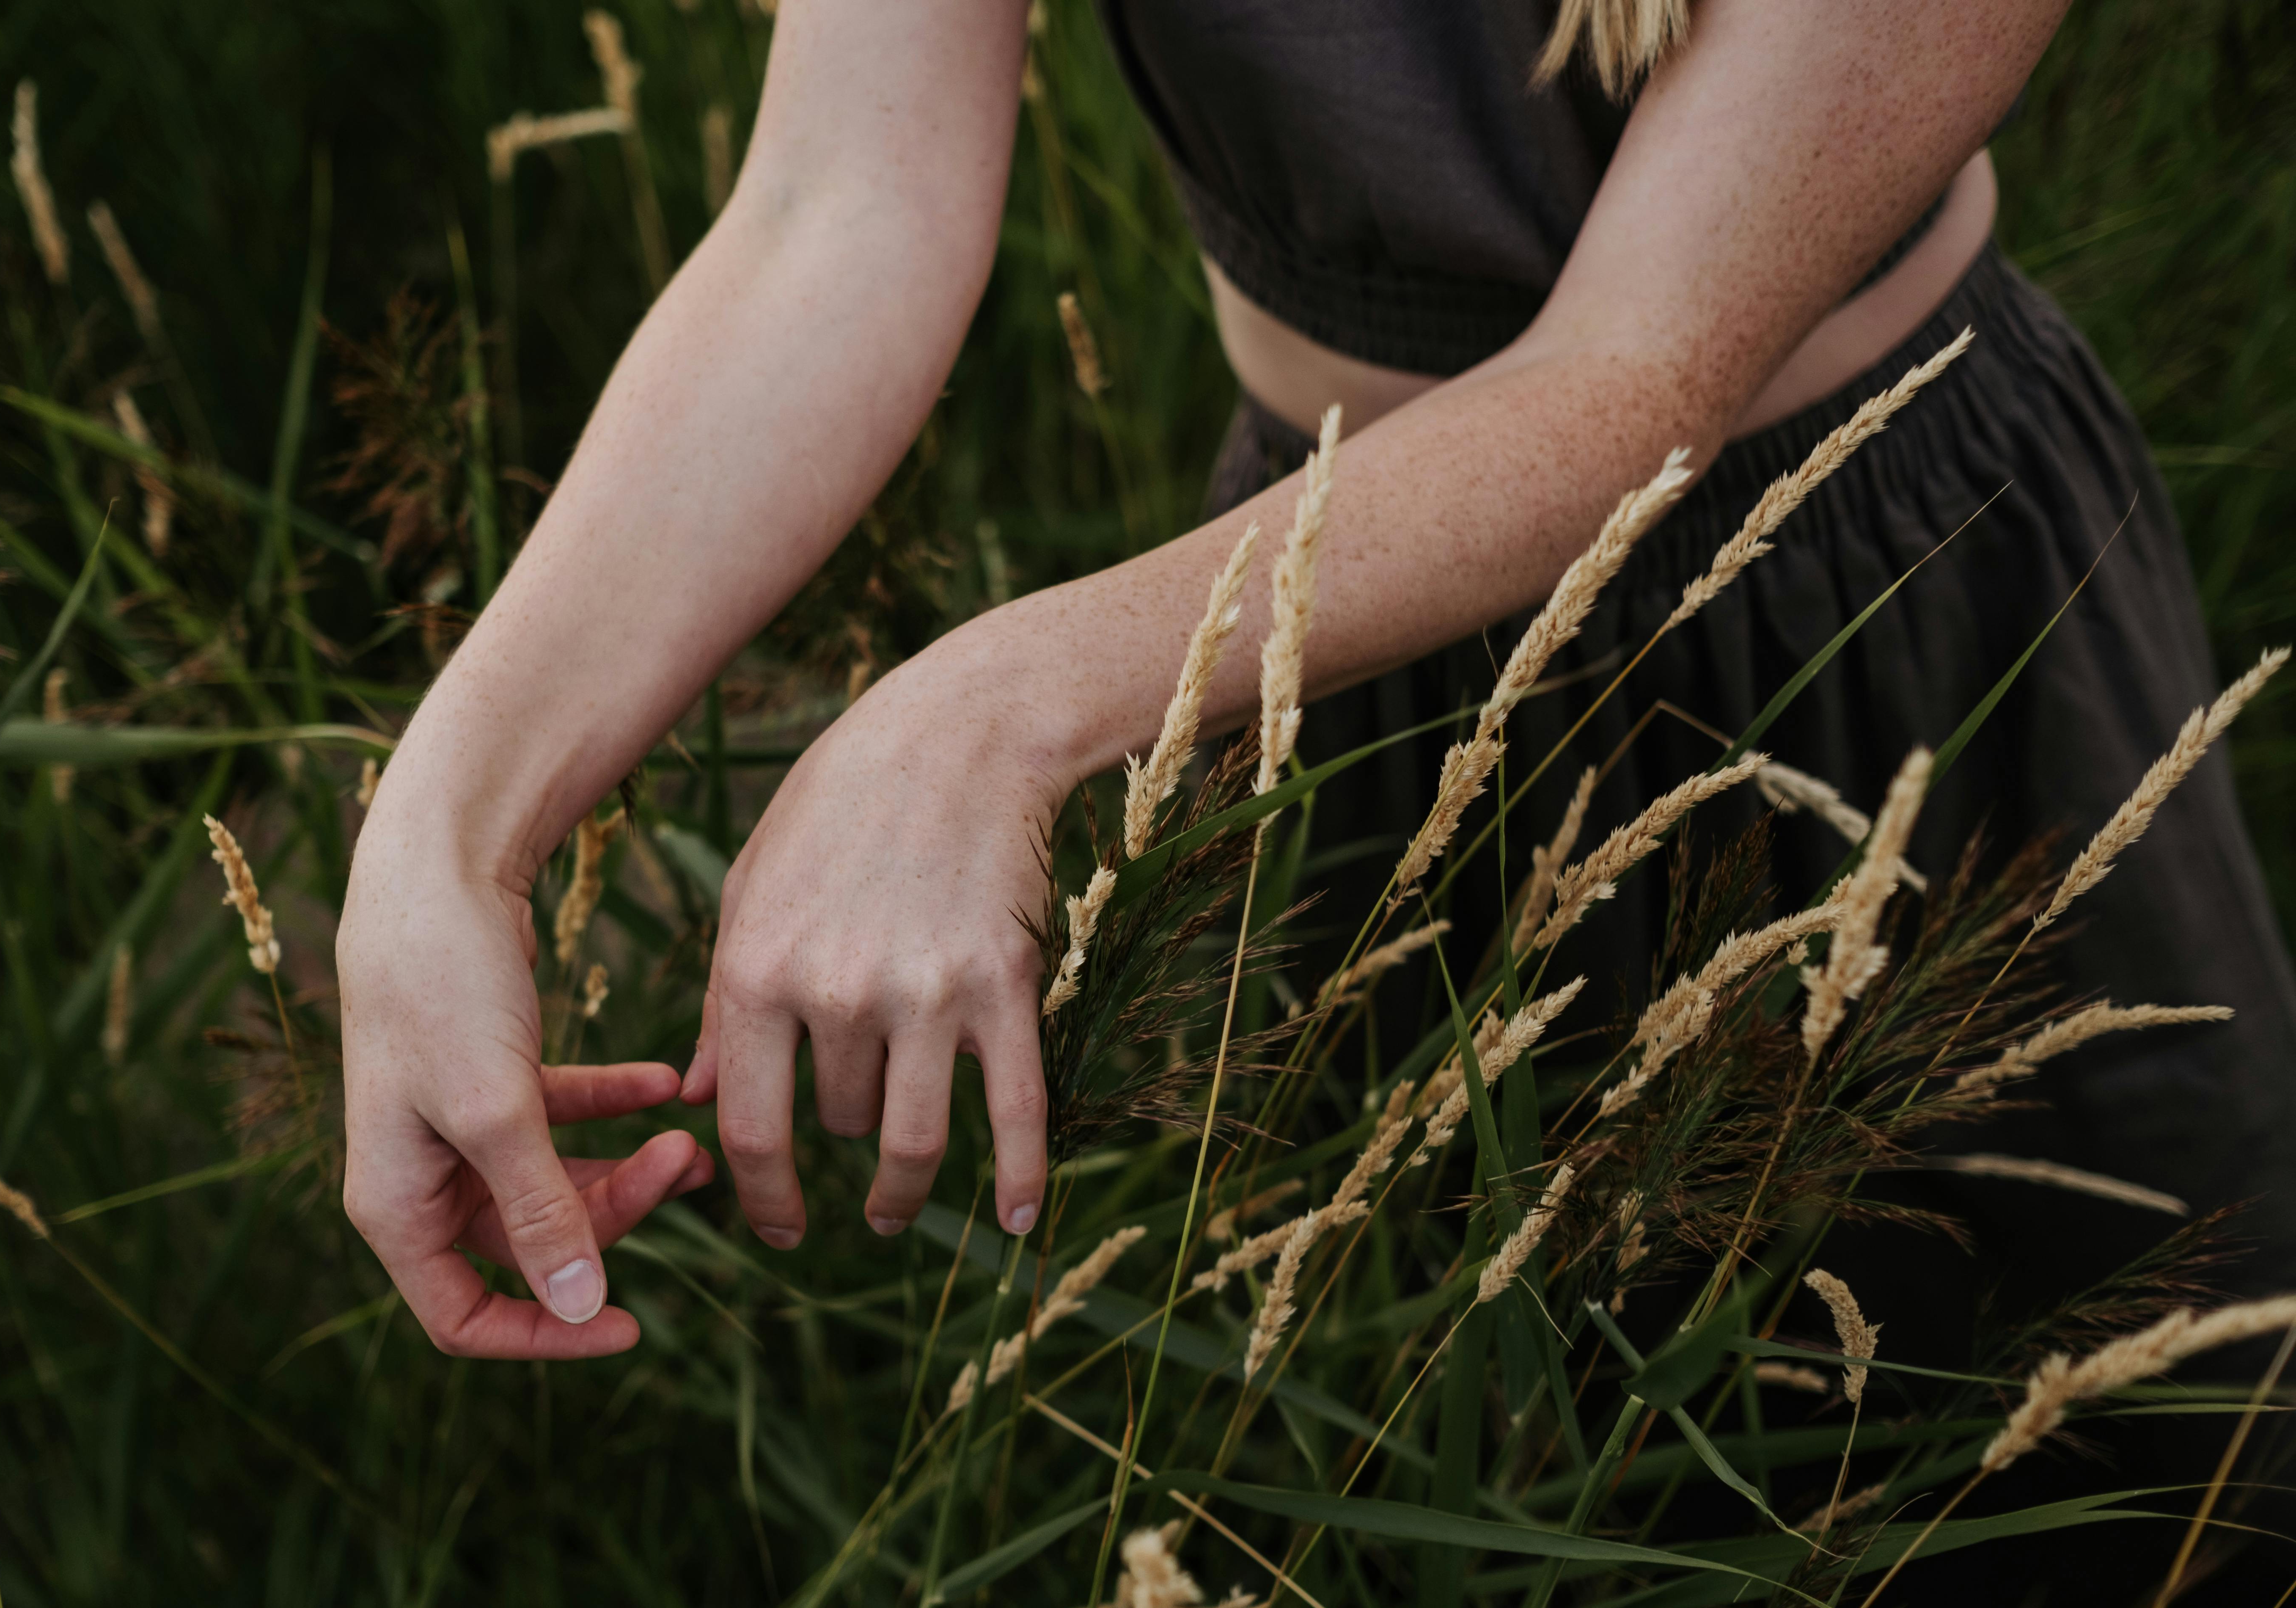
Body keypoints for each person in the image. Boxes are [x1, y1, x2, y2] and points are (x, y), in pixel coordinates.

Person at [335, 0, 2296, 1375]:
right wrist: (447, 825)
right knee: (1540, 1503)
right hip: (1322, 642)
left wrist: (988, 710)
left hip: (1893, 603)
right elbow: (836, 210)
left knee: (2134, 1419)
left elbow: (1642, 373)